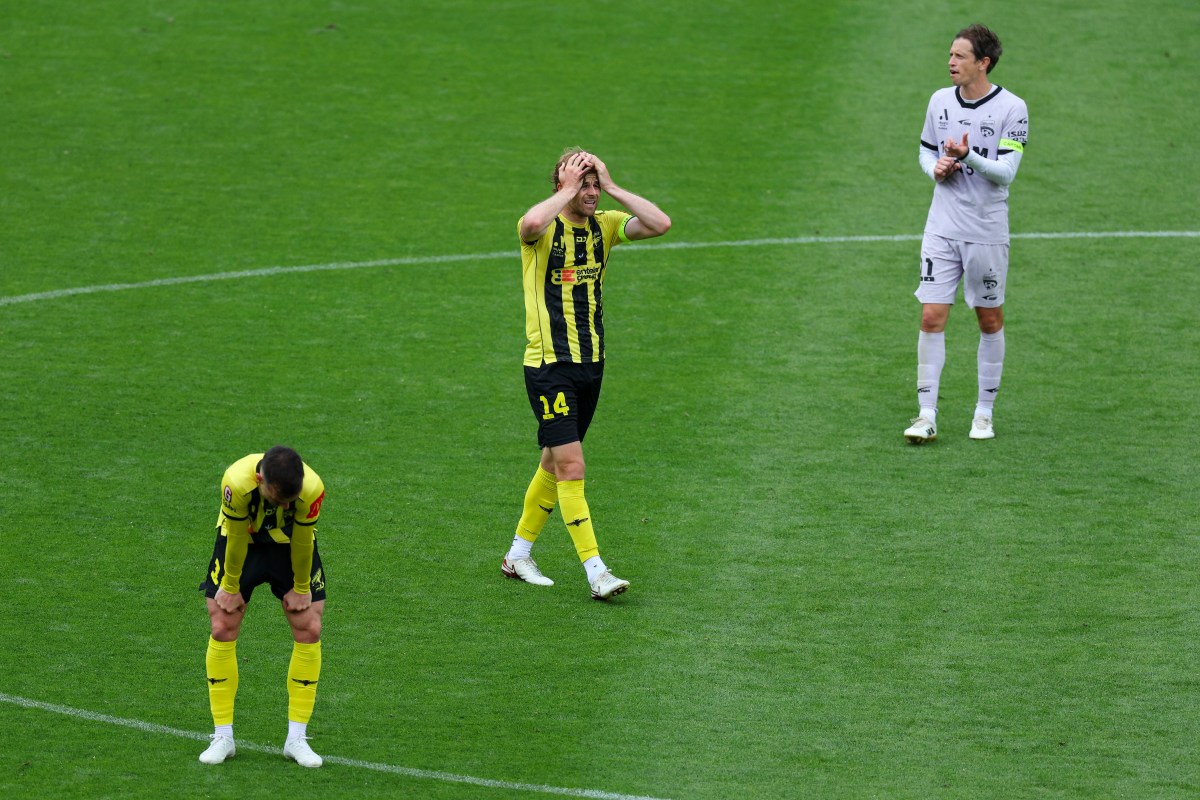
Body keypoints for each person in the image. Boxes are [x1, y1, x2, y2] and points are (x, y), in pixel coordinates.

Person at [501, 148, 671, 599]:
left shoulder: (607, 226)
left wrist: (614, 187)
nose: (591, 192)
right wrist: (567, 188)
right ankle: (596, 571)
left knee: (553, 464)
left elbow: (659, 224)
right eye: (583, 184)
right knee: (572, 465)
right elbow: (530, 225)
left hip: (591, 365)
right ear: (561, 188)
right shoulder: (543, 229)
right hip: (548, 365)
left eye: (595, 184)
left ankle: (517, 554)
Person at [905, 23, 1029, 443]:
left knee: (989, 319)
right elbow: (926, 149)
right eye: (950, 54)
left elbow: (1005, 174)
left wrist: (967, 155)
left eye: (959, 56)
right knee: (930, 315)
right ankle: (926, 414)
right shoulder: (939, 101)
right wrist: (936, 168)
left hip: (986, 232)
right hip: (941, 228)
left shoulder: (1013, 108)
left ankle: (984, 412)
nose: (950, 62)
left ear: (983, 63)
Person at [197, 445, 328, 768]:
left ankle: (296, 738)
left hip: (289, 546)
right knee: (222, 625)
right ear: (259, 479)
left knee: (310, 626)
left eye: (289, 500)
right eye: (277, 498)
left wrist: (301, 588)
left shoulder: (312, 489)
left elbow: (302, 539)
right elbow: (237, 536)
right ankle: (222, 736)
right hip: (245, 544)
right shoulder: (236, 482)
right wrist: (229, 586)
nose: (285, 505)